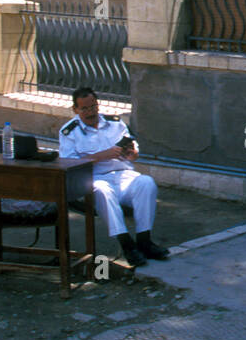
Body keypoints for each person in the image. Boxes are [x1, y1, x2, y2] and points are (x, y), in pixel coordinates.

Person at [58, 87, 169, 266]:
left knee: (146, 183)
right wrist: (102, 155)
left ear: (98, 105)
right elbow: (68, 163)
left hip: (123, 174)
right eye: (84, 108)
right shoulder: (70, 132)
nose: (90, 112)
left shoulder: (115, 123)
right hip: (94, 177)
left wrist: (132, 153)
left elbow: (133, 153)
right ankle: (127, 245)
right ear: (75, 110)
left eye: (93, 107)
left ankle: (144, 240)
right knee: (102, 190)